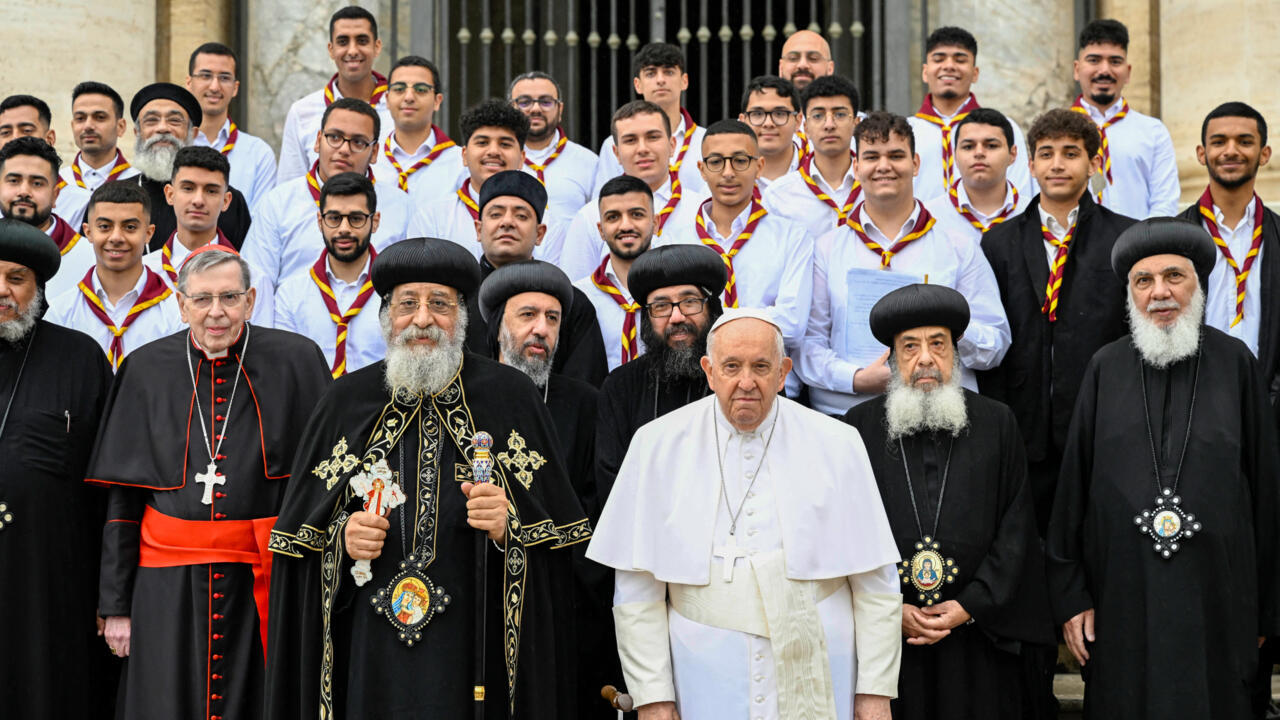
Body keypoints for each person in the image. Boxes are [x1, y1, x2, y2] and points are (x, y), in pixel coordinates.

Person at [265, 237, 589, 719]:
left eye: (439, 304)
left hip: (476, 649)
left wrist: (508, 529)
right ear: (384, 318)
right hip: (370, 653)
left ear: (461, 317)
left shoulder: (510, 398)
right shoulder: (343, 403)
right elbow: (297, 551)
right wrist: (342, 538)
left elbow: (564, 550)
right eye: (406, 305)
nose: (421, 319)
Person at [588, 307, 903, 720]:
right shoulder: (656, 444)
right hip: (702, 674)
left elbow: (876, 584)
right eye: (731, 367)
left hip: (823, 658)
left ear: (784, 371)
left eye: (761, 367)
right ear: (709, 370)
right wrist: (653, 697)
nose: (746, 383)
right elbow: (636, 591)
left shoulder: (838, 442)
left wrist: (875, 692)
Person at [1047, 218, 1280, 719]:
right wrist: (1071, 598)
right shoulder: (1104, 368)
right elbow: (1072, 495)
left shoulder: (1237, 362)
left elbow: (1266, 491)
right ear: (1129, 293)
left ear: (1198, 283)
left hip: (1219, 596)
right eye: (1143, 281)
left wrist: (1264, 609)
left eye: (1174, 276)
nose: (1159, 293)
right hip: (1122, 595)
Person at [91, 245, 330, 720]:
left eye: (229, 297)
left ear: (251, 300)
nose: (216, 313)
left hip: (263, 577)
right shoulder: (145, 369)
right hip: (167, 586)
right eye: (201, 300)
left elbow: (323, 485)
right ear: (181, 304)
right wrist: (116, 606)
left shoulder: (297, 361)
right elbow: (123, 500)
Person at [843, 283, 1054, 720]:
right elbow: (845, 533)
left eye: (937, 344)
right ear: (893, 359)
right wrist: (889, 608)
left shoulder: (997, 422)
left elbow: (1017, 529)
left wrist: (969, 606)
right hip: (891, 640)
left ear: (955, 353)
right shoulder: (858, 428)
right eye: (910, 347)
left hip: (979, 637)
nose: (925, 358)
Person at [978, 108, 1137, 531]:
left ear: (1094, 163)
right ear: (1030, 164)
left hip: (1098, 416)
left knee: (1095, 530)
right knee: (1027, 535)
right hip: (1021, 417)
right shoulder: (999, 242)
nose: (1058, 164)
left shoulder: (1124, 238)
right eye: (1046, 154)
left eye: (1071, 153)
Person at [478, 259, 618, 716]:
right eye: (528, 315)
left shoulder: (585, 404)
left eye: (552, 319)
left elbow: (598, 510)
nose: (541, 329)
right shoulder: (462, 398)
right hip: (477, 595)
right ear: (499, 325)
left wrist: (540, 559)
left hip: (563, 601)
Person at [799, 111, 1009, 416]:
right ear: (856, 166)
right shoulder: (827, 249)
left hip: (940, 412)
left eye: (896, 155)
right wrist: (856, 379)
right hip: (847, 414)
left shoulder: (958, 246)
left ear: (915, 164)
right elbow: (808, 343)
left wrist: (954, 329)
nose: (884, 166)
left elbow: (996, 343)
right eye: (872, 156)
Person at [0, 219, 115, 718]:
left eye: (16, 278)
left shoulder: (80, 358)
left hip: (52, 575)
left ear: (39, 290)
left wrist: (110, 591)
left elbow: (109, 484)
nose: (2, 290)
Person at [662, 119, 814, 396]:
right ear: (702, 170)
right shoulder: (675, 239)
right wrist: (762, 316)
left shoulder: (792, 236)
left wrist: (707, 318)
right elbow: (673, 319)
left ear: (759, 167)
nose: (728, 172)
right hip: (693, 384)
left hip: (770, 387)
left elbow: (792, 325)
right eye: (716, 162)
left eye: (740, 160)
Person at [242, 96, 425, 291]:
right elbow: (255, 283)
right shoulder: (277, 203)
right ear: (318, 140)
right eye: (335, 137)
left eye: (358, 142)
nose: (344, 150)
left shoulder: (402, 207)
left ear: (374, 152)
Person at [593, 243, 724, 504]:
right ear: (647, 319)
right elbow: (612, 480)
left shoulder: (737, 379)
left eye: (689, 302)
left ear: (712, 310)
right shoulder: (621, 386)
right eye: (661, 306)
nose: (676, 317)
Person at [466, 170, 607, 386]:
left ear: (540, 234)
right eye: (496, 214)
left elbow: (583, 392)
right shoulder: (457, 298)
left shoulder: (571, 302)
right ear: (478, 229)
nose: (507, 222)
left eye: (521, 216)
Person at [1178, 102, 1280, 394]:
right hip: (1195, 396)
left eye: (1245, 142)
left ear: (1264, 154)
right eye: (1219, 141)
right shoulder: (1173, 238)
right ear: (1201, 153)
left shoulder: (1277, 234)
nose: (1231, 151)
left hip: (1268, 398)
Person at [556, 101, 706, 280]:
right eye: (630, 140)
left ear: (673, 145)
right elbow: (576, 288)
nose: (642, 149)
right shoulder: (590, 217)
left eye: (653, 137)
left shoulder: (701, 210)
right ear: (616, 153)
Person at [47, 182, 184, 367]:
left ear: (149, 233)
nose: (116, 237)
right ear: (88, 232)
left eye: (130, 227)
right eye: (104, 226)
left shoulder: (176, 314)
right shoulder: (61, 313)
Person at [142, 146, 274, 323]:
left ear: (226, 201)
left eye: (211, 191)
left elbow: (259, 347)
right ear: (170, 194)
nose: (198, 200)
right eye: (188, 188)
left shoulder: (253, 279)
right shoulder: (143, 272)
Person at [274, 171, 385, 375]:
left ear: (375, 221)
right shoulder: (291, 294)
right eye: (334, 218)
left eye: (356, 218)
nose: (344, 229)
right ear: (319, 221)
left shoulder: (396, 294)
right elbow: (286, 367)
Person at [908, 27, 1033, 203]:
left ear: (975, 73)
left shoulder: (1003, 128)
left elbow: (1021, 193)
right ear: (925, 72)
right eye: (939, 59)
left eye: (960, 60)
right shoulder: (907, 131)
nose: (949, 66)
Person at [123, 83, 252, 250]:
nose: (162, 128)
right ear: (137, 133)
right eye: (152, 120)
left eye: (174, 120)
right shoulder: (113, 198)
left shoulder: (230, 201)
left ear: (194, 133)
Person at [1071, 19, 1179, 218]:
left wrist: (1143, 244)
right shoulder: (1056, 132)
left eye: (1115, 61)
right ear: (1077, 70)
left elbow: (1164, 202)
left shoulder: (1153, 132)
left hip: (1138, 245)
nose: (1104, 70)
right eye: (1094, 60)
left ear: (1127, 72)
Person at [277, 5, 391, 183]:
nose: (352, 51)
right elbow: (291, 188)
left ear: (377, 47)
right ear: (331, 49)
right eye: (343, 42)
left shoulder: (398, 109)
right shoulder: (302, 112)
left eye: (362, 41)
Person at [592, 42, 706, 197]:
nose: (660, 80)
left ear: (684, 81)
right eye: (651, 73)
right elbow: (604, 201)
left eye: (669, 72)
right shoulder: (614, 143)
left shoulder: (704, 141)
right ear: (637, 85)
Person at [420, 99, 528, 257]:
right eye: (483, 143)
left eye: (505, 144)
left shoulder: (545, 221)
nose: (493, 151)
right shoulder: (431, 218)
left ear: (521, 159)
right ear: (464, 156)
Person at [761, 75, 862, 241]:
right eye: (818, 116)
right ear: (805, 127)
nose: (829, 124)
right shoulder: (779, 195)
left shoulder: (875, 186)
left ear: (856, 124)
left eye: (840, 115)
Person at [509, 71, 598, 259]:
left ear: (560, 109)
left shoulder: (588, 162)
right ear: (511, 108)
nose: (535, 109)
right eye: (524, 102)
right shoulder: (500, 161)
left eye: (545, 101)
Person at [573, 175, 654, 371]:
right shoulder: (580, 297)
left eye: (636, 214)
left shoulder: (676, 293)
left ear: (656, 222)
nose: (625, 225)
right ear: (600, 230)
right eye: (613, 217)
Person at [0, 136, 97, 299]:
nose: (24, 191)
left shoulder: (92, 259)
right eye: (14, 180)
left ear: (55, 195)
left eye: (37, 183)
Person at [186, 42, 278, 210]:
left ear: (235, 88)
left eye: (224, 78)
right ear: (189, 83)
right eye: (206, 76)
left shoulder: (258, 154)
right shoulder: (173, 146)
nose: (214, 86)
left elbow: (260, 222)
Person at [924, 108, 1030, 245]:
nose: (979, 153)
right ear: (955, 155)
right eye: (968, 147)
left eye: (991, 146)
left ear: (1013, 154)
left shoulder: (1033, 214)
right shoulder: (929, 218)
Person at [369, 55, 462, 207]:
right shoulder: (369, 158)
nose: (409, 97)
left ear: (437, 101)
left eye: (421, 90)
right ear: (387, 99)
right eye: (399, 89)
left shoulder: (460, 163)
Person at [0, 94, 92, 227]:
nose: (15, 138)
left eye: (26, 130)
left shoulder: (83, 204)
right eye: (5, 132)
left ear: (50, 138)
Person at [62, 81, 140, 190]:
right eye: (80, 118)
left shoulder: (139, 184)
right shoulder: (57, 184)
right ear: (73, 126)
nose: (88, 126)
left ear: (120, 127)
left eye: (100, 117)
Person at [738, 75, 805, 190]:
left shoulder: (820, 173)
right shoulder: (726, 178)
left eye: (779, 113)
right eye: (758, 114)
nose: (768, 123)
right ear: (743, 121)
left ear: (798, 121)